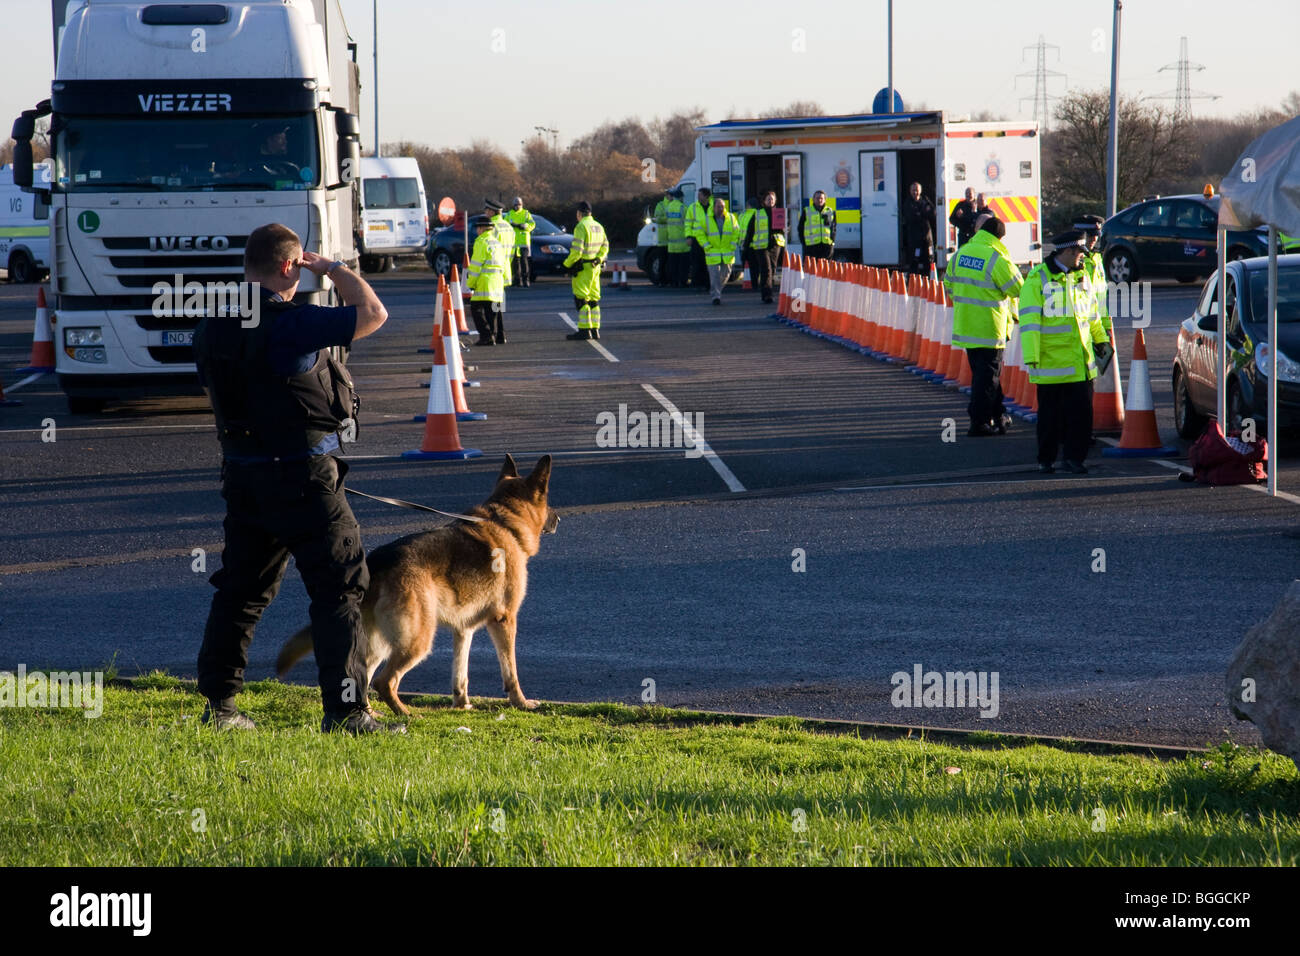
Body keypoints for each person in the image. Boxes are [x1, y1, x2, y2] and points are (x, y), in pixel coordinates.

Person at [191, 222, 400, 735]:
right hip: (305, 480)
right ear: (289, 266)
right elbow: (374, 314)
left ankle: (219, 708)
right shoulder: (292, 322)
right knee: (340, 590)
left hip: (243, 479)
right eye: (299, 267)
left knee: (240, 592)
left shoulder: (211, 326)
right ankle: (347, 713)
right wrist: (331, 268)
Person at [1018, 231, 1113, 474]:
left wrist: (1101, 341)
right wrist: (1032, 357)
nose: (1084, 257)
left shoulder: (1083, 277)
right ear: (1069, 252)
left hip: (1081, 364)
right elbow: (1029, 322)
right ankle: (1046, 459)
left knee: (1081, 417)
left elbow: (1091, 315)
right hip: (1051, 364)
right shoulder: (1038, 279)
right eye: (1081, 253)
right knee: (1050, 418)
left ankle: (1074, 459)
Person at [944, 216, 1024, 436]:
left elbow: (948, 283)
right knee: (987, 378)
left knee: (985, 376)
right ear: (999, 237)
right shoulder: (996, 258)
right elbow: (1018, 289)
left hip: (967, 325)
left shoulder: (962, 253)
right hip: (990, 327)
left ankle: (998, 415)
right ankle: (978, 422)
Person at [563, 201, 609, 340]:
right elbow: (605, 246)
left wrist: (566, 264)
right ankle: (595, 329)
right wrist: (599, 259)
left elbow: (577, 251)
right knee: (594, 300)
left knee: (581, 299)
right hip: (595, 267)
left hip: (583, 268)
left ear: (579, 213)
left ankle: (584, 330)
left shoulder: (581, 226)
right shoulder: (598, 226)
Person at [740, 189, 785, 304]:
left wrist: (784, 229)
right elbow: (750, 231)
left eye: (772, 199)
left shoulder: (779, 213)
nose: (770, 201)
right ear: (764, 201)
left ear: (775, 201)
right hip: (761, 246)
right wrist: (746, 247)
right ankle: (767, 295)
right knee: (766, 270)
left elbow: (784, 231)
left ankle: (769, 290)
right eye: (768, 199)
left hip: (775, 245)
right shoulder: (758, 213)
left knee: (773, 270)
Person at [467, 217, 505, 344]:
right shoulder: (497, 243)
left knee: (476, 308)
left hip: (484, 283)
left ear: (482, 228)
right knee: (494, 310)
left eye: (478, 228)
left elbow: (476, 266)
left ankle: (486, 336)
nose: (477, 231)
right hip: (498, 282)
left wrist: (470, 283)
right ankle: (498, 336)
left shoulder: (481, 242)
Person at [1074, 214, 1111, 337]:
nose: (1094, 239)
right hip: (1081, 330)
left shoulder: (1097, 259)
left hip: (1097, 328)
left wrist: (1106, 327)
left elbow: (1101, 298)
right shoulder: (1073, 261)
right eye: (1090, 235)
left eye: (1097, 235)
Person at [702, 196, 740, 306]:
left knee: (725, 275)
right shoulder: (707, 219)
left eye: (722, 206)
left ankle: (716, 290)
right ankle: (716, 296)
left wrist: (733, 244)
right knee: (714, 276)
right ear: (713, 208)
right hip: (712, 252)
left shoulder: (731, 218)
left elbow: (736, 232)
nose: (721, 209)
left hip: (727, 253)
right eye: (718, 206)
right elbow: (700, 234)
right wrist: (706, 245)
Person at [902, 181, 935, 275]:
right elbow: (910, 217)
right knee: (914, 259)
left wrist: (921, 213)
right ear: (910, 191)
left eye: (917, 190)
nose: (915, 192)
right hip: (914, 238)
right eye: (913, 190)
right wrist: (923, 213)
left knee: (928, 259)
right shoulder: (907, 203)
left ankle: (928, 280)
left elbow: (933, 213)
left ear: (920, 191)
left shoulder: (926, 200)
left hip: (927, 237)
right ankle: (913, 282)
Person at [684, 187, 712, 289]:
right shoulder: (693, 207)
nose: (698, 197)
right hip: (696, 239)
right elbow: (688, 223)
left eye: (700, 195)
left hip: (710, 239)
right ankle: (696, 283)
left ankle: (707, 283)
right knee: (696, 262)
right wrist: (688, 236)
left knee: (708, 262)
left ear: (706, 196)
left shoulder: (713, 206)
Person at [505, 196, 535, 287]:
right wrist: (511, 225)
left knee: (524, 262)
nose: (517, 206)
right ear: (513, 205)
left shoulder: (526, 213)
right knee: (515, 263)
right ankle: (517, 281)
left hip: (523, 242)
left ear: (522, 205)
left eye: (519, 204)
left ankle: (526, 281)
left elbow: (532, 224)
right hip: (513, 242)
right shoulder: (509, 214)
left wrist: (525, 226)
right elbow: (505, 224)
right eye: (516, 205)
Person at [799, 190, 836, 259]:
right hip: (811, 247)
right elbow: (800, 228)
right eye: (817, 198)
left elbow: (833, 227)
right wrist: (803, 242)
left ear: (825, 200)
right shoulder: (807, 211)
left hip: (826, 245)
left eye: (822, 198)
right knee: (812, 269)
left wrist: (832, 240)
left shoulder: (830, 211)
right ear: (813, 199)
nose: (819, 200)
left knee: (825, 268)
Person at [665, 187, 689, 288]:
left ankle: (673, 282)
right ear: (680, 197)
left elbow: (667, 221)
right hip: (682, 243)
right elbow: (687, 223)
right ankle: (682, 282)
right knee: (683, 266)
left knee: (673, 265)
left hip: (671, 243)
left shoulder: (668, 207)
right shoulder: (683, 208)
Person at [652, 188, 672, 287]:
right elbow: (656, 218)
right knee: (662, 262)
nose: (671, 196)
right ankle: (661, 281)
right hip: (663, 239)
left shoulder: (674, 204)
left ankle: (669, 280)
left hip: (673, 239)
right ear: (667, 195)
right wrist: (667, 219)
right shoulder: (660, 205)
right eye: (669, 194)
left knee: (670, 263)